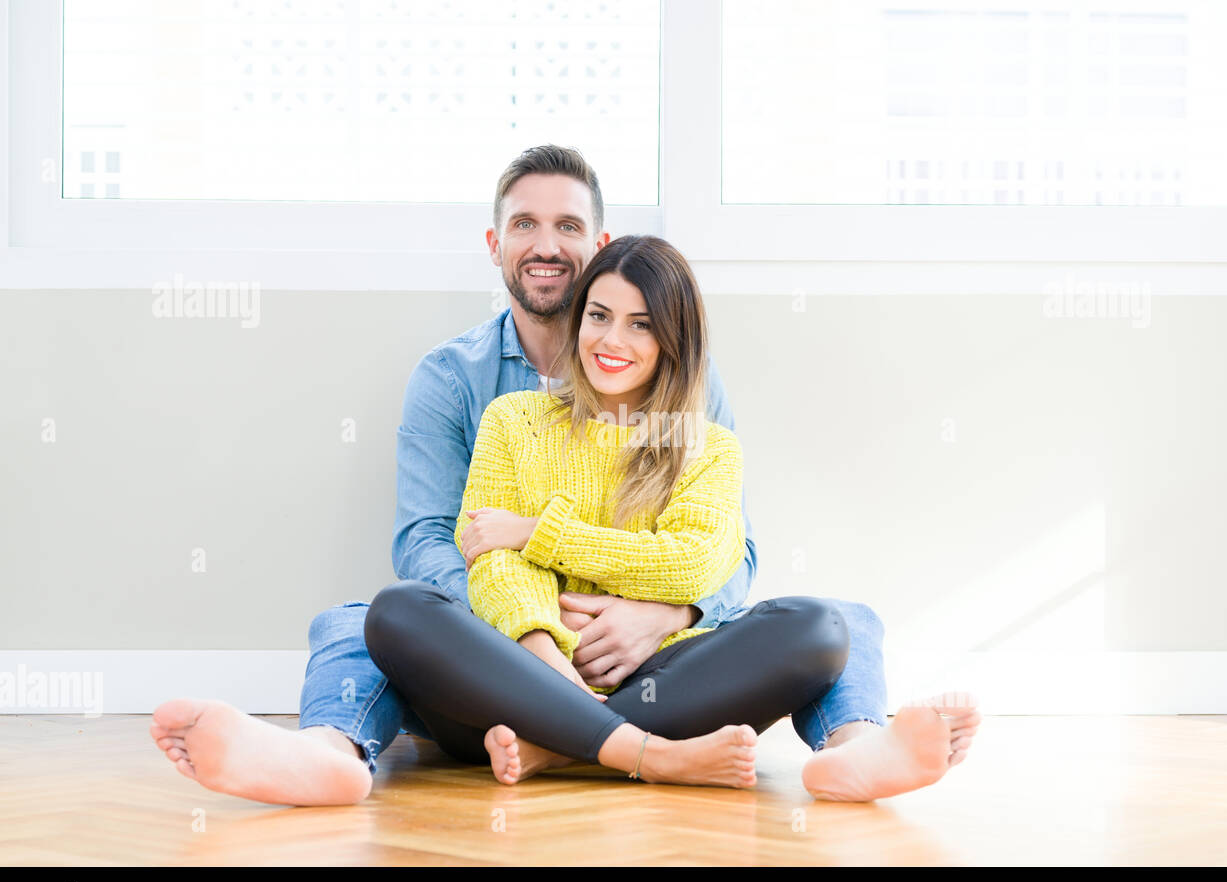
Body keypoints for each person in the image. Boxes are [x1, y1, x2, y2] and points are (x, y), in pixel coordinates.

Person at [150, 144, 979, 805]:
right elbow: (442, 542)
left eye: (568, 227)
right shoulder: (472, 390)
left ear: (600, 245)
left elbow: (725, 552)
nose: (547, 246)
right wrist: (544, 639)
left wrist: (659, 613)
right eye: (524, 225)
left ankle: (852, 749)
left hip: (653, 660)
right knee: (372, 615)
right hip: (500, 659)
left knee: (835, 622)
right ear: (497, 244)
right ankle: (330, 755)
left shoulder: (697, 410)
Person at [363, 235, 851, 787]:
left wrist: (536, 534)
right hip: (520, 681)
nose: (611, 339)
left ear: (674, 340)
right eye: (599, 315)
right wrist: (552, 668)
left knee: (819, 627)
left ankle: (559, 749)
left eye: (641, 324)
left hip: (656, 676)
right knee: (398, 610)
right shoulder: (512, 420)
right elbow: (491, 562)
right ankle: (649, 752)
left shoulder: (707, 445)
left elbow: (692, 563)